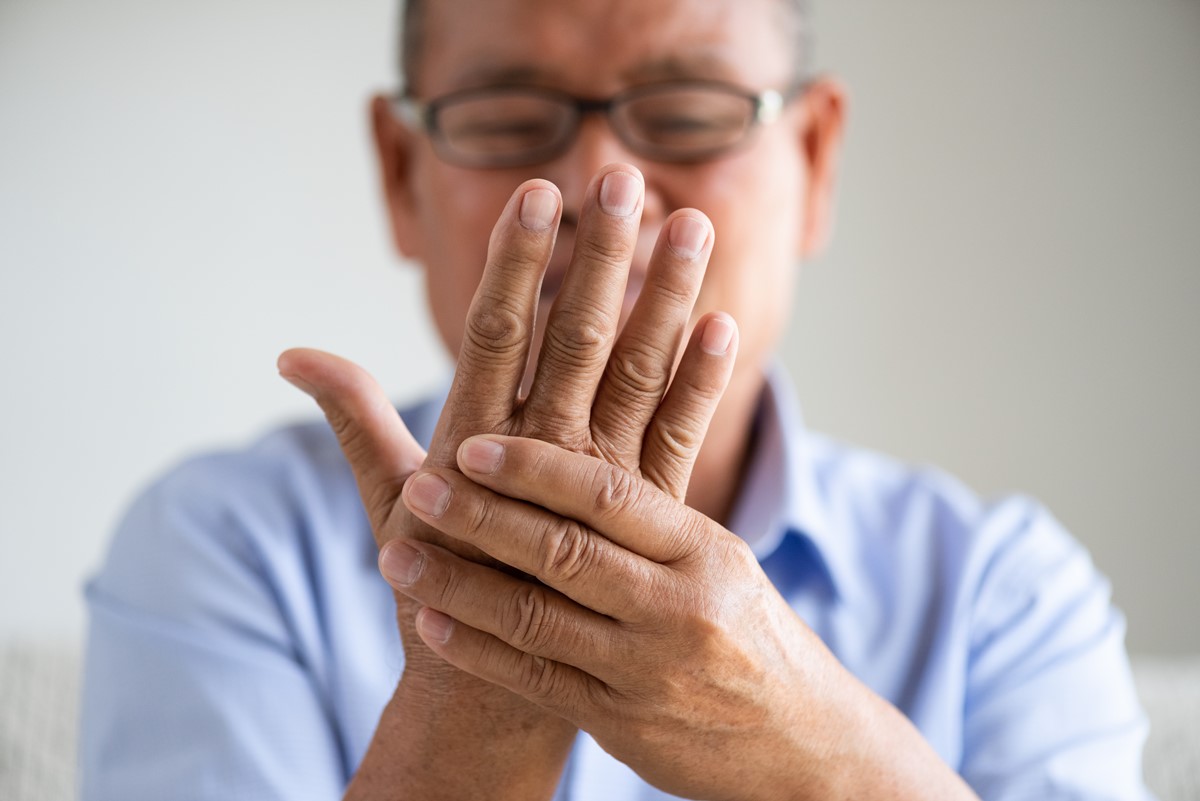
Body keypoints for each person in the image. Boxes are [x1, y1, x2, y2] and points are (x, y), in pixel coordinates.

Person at [80, 0, 1155, 799]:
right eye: (507, 116)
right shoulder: (224, 547)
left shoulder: (1001, 594)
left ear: (816, 159)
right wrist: (483, 684)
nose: (606, 190)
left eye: (687, 112)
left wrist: (811, 746)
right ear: (401, 172)